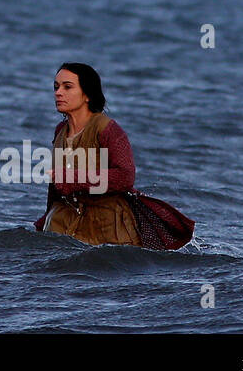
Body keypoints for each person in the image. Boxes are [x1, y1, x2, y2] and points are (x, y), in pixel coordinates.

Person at [33, 62, 195, 250]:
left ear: (87, 94)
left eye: (67, 87)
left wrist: (71, 178)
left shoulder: (109, 130)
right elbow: (57, 182)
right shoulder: (60, 130)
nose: (58, 92)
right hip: (64, 220)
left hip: (108, 225)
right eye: (56, 87)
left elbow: (125, 177)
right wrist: (47, 216)